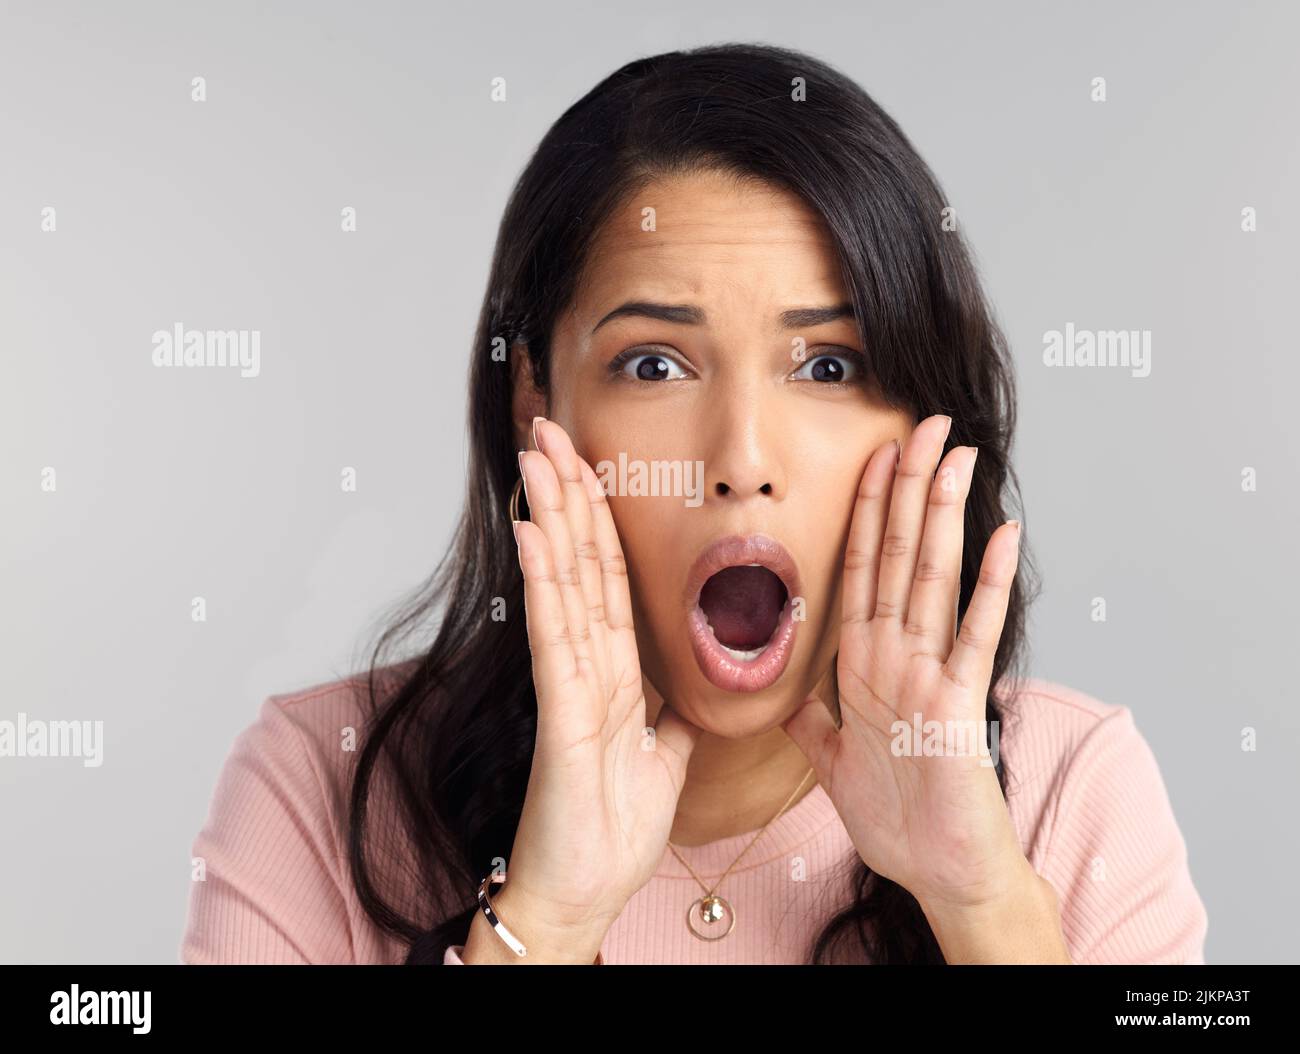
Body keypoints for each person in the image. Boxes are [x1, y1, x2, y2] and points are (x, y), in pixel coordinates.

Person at [180, 42, 1208, 965]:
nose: (741, 462)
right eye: (655, 363)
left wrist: (978, 902)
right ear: (537, 401)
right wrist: (548, 914)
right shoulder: (317, 784)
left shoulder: (1072, 788)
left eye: (828, 365)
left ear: (922, 422)